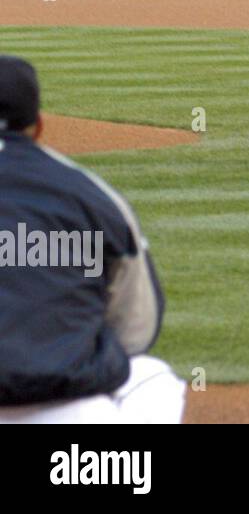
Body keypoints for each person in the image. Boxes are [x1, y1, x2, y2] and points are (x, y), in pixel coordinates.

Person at [0, 57, 186, 424]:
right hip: (65, 412)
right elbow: (136, 331)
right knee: (151, 376)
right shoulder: (91, 195)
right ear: (39, 127)